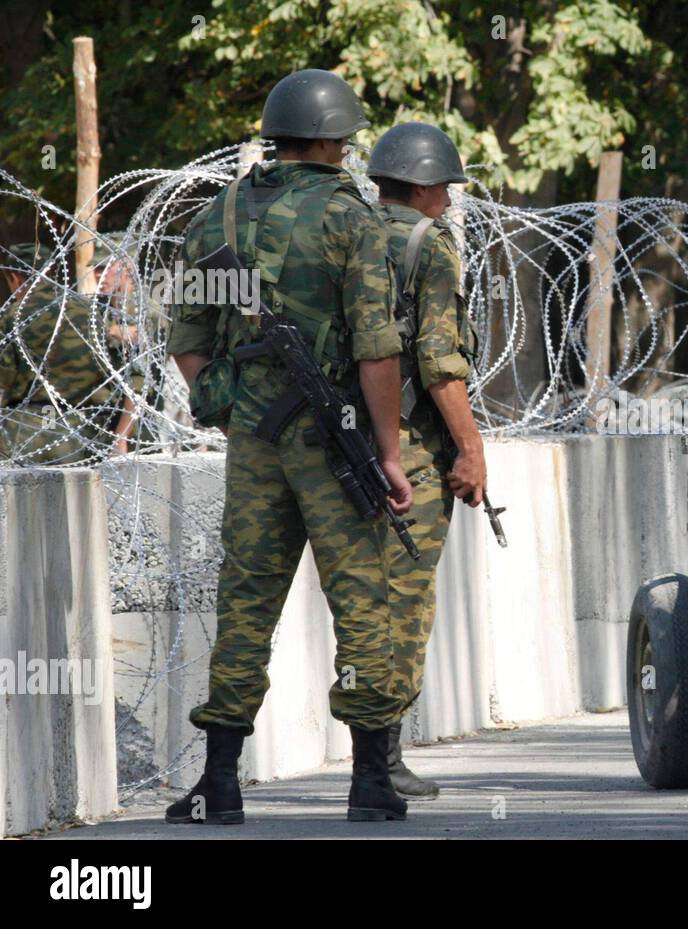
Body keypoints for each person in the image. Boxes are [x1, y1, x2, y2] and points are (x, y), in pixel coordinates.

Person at [163, 69, 415, 825]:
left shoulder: (219, 215)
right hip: (332, 435)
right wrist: (389, 451)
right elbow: (376, 349)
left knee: (245, 598)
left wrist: (230, 402)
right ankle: (372, 780)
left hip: (255, 440)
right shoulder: (351, 218)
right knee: (361, 597)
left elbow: (187, 341)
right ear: (337, 138)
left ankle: (221, 781)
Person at [366, 121, 485, 798]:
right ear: (418, 184)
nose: (447, 199)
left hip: (335, 442)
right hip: (407, 447)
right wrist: (470, 448)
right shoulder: (426, 243)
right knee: (404, 601)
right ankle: (382, 757)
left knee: (359, 600)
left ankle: (224, 771)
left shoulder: (346, 231)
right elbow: (440, 361)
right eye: (442, 186)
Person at [0, 242, 136, 462]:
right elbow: (127, 376)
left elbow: (4, 376)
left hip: (30, 428)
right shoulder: (91, 311)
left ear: (16, 278)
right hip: (87, 426)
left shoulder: (14, 316)